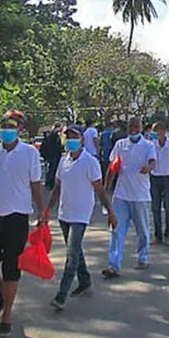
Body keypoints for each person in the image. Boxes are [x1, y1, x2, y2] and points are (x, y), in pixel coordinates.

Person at [0, 111, 43, 338]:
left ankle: (7, 316)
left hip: (18, 216)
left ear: (20, 129)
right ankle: (4, 293)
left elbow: (36, 184)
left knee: (11, 267)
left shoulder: (29, 153)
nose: (7, 128)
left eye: (12, 125)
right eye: (4, 124)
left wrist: (42, 212)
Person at [42, 125, 117, 310]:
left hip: (81, 213)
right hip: (64, 212)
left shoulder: (90, 162)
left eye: (74, 136)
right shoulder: (63, 160)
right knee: (74, 249)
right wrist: (47, 209)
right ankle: (85, 281)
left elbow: (99, 189)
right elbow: (58, 187)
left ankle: (61, 295)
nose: (71, 140)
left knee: (71, 255)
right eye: (68, 137)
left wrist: (111, 212)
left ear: (82, 139)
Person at [102, 118, 156, 279]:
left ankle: (143, 257)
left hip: (140, 196)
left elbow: (153, 162)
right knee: (117, 231)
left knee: (143, 232)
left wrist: (149, 168)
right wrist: (106, 188)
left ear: (141, 128)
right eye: (130, 126)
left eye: (136, 126)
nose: (133, 129)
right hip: (121, 195)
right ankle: (114, 265)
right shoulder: (120, 145)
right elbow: (113, 167)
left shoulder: (148, 145)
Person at [149, 122, 169, 246]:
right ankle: (158, 236)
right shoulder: (151, 145)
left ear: (162, 131)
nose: (153, 134)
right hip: (155, 178)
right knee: (155, 208)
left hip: (168, 178)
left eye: (155, 131)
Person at [40, 123, 64, 191]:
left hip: (52, 155)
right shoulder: (53, 135)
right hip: (53, 155)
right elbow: (54, 146)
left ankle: (50, 183)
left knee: (51, 169)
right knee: (52, 170)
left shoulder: (53, 135)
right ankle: (50, 184)